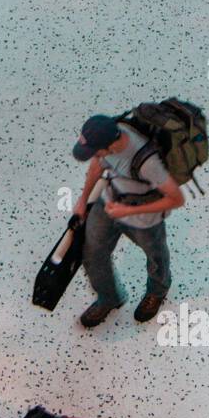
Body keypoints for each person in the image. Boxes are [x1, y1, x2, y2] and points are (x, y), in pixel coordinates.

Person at [72, 113, 184, 328]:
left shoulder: (147, 162)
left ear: (110, 145)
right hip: (109, 203)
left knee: (156, 257)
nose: (94, 155)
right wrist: (83, 199)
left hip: (144, 219)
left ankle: (157, 292)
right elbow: (97, 165)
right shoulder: (107, 142)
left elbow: (176, 199)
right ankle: (108, 297)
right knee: (92, 252)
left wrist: (127, 211)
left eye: (95, 150)